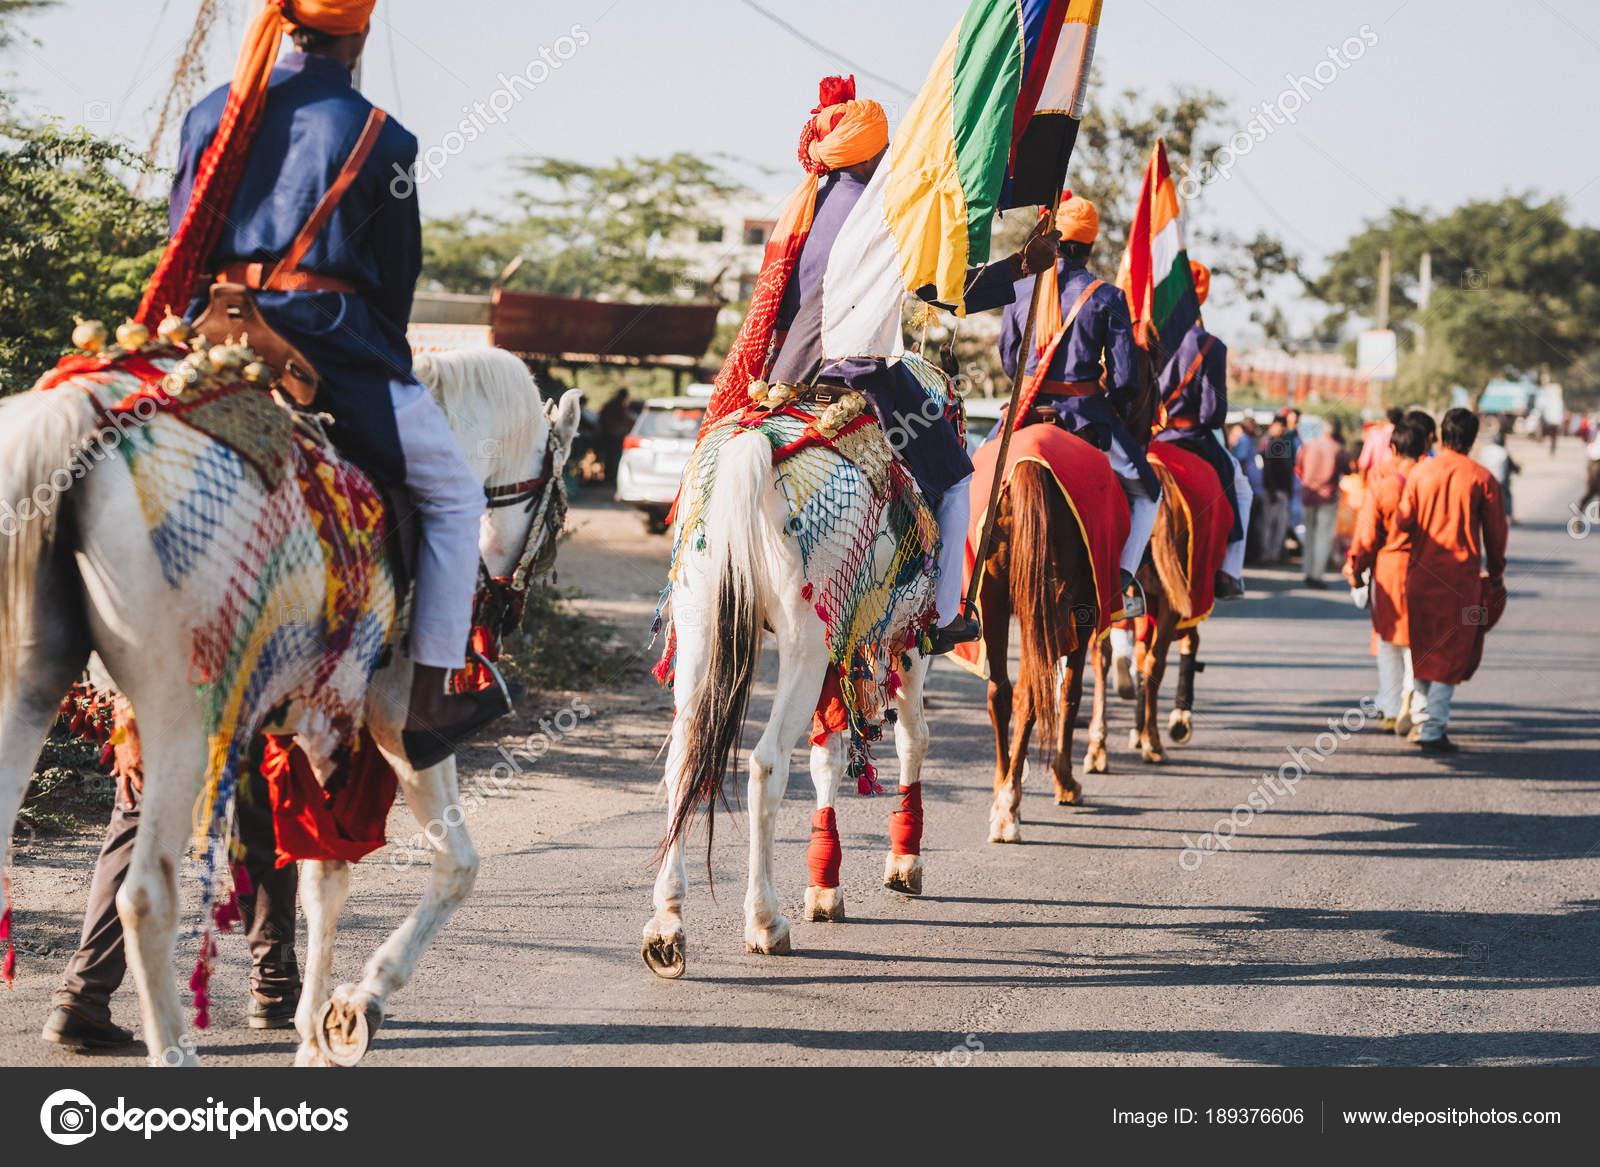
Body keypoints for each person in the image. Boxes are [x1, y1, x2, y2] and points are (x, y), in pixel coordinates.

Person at [159, 3, 505, 769]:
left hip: (211, 329)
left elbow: (181, 230)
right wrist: (379, 352)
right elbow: (397, 276)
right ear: (361, 32)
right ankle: (428, 698)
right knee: (455, 496)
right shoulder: (382, 134)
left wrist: (192, 331)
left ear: (289, 26)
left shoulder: (214, 108)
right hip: (325, 348)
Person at [736, 76, 1059, 653]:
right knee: (958, 479)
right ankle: (941, 614)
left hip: (787, 378)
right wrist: (1022, 266)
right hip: (861, 372)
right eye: (887, 151)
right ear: (872, 157)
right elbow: (944, 291)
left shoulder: (806, 207)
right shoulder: (884, 215)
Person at [43, 733, 299, 1048]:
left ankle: (83, 994)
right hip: (234, 695)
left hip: (154, 706)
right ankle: (275, 984)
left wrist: (126, 720)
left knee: (139, 818)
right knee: (257, 808)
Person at [996, 192, 1161, 619]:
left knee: (968, 482)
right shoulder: (1107, 297)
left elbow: (1009, 361)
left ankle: (959, 593)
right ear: (1089, 246)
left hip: (1025, 414)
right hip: (1085, 418)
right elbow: (1125, 379)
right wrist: (1120, 406)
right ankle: (1122, 583)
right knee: (1149, 492)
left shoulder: (1019, 288)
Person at [1396, 408, 1509, 753]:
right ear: (1473, 437)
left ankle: (1419, 714)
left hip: (1420, 575)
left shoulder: (1419, 472)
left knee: (1423, 646)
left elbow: (1402, 522)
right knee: (1452, 651)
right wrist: (1498, 572)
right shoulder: (1481, 477)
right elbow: (1495, 533)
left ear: (1442, 434)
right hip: (1460, 580)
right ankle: (1432, 727)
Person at [1151, 260, 1247, 599]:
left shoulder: (1148, 333)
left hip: (1153, 438)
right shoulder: (1210, 345)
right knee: (1242, 488)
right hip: (1192, 438)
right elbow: (1212, 413)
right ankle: (1228, 574)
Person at [1343, 421, 1426, 731]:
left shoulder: (1384, 486)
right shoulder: (1428, 483)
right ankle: (1412, 701)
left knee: (1388, 641)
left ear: (1393, 449)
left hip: (1389, 568)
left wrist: (1356, 568)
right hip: (1423, 568)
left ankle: (1391, 708)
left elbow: (1365, 538)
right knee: (1415, 643)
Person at [1296, 417, 1351, 587]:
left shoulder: (1308, 445)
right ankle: (1316, 574)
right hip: (1327, 496)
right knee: (1323, 536)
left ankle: (1307, 570)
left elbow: (1298, 467)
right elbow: (1347, 470)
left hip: (1308, 493)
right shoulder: (1337, 449)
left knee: (1310, 533)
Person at [1258, 415, 1294, 563]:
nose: (1282, 429)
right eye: (1280, 426)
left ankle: (1273, 554)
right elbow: (1268, 469)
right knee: (1268, 524)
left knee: (1279, 525)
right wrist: (1272, 489)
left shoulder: (1280, 443)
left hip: (1281, 490)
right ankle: (1266, 554)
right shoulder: (1271, 443)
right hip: (1274, 490)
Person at [1473, 424, 1519, 523]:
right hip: (1500, 480)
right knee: (1507, 494)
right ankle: (1509, 516)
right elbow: (1512, 466)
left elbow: (1479, 463)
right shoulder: (1503, 452)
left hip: (1486, 478)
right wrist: (1517, 469)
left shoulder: (1485, 450)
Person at [597, 387, 634, 484]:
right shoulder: (617, 406)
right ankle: (611, 477)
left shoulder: (613, 404)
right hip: (613, 435)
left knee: (611, 457)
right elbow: (626, 419)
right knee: (613, 457)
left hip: (611, 434)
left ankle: (610, 477)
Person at [1359, 407, 1405, 482]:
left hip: (1375, 480)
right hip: (1395, 480)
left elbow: (1364, 463)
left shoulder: (1374, 434)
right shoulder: (1403, 436)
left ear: (1387, 419)